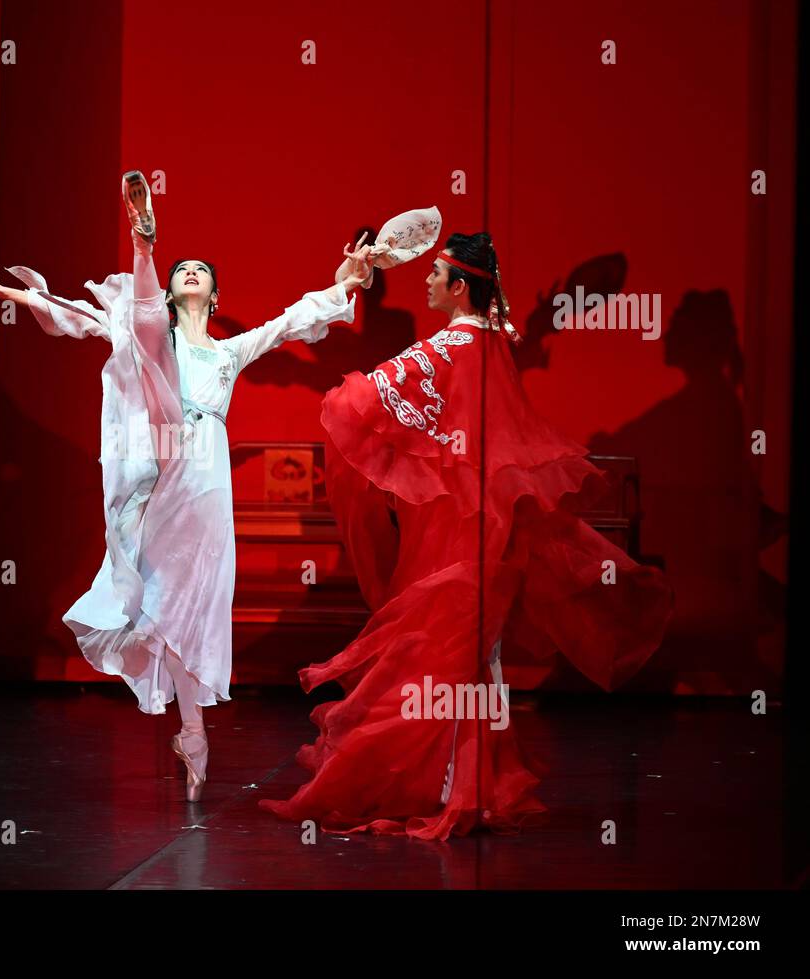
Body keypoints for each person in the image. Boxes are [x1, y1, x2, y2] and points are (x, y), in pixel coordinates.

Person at [259, 231, 673, 839]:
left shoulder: (453, 344)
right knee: (476, 657)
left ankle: (451, 785)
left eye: (434, 274)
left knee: (443, 653)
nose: (425, 282)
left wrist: (347, 402)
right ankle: (474, 785)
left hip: (458, 535)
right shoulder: (490, 346)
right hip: (486, 525)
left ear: (458, 288)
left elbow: (362, 401)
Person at [0, 172, 375, 801]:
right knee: (155, 599)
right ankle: (143, 241)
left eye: (200, 271)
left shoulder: (229, 352)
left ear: (215, 295)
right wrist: (18, 296)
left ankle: (192, 730)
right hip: (157, 464)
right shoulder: (149, 333)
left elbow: (294, 320)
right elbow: (81, 318)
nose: (193, 274)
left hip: (205, 477)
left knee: (192, 606)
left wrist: (347, 281)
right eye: (181, 268)